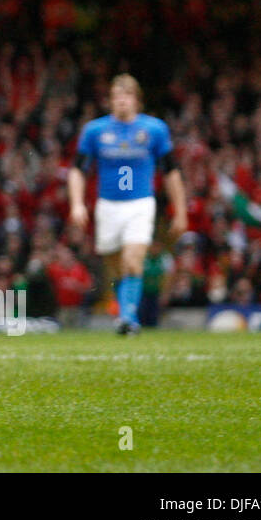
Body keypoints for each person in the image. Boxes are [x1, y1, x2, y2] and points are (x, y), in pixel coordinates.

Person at [68, 75, 186, 335]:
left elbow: (171, 172)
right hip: (107, 205)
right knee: (115, 266)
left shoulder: (154, 130)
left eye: (127, 95)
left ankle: (128, 318)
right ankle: (125, 312)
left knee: (133, 260)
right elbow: (77, 170)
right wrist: (77, 204)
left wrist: (180, 211)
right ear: (110, 101)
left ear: (137, 100)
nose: (121, 100)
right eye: (116, 96)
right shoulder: (95, 131)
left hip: (140, 203)